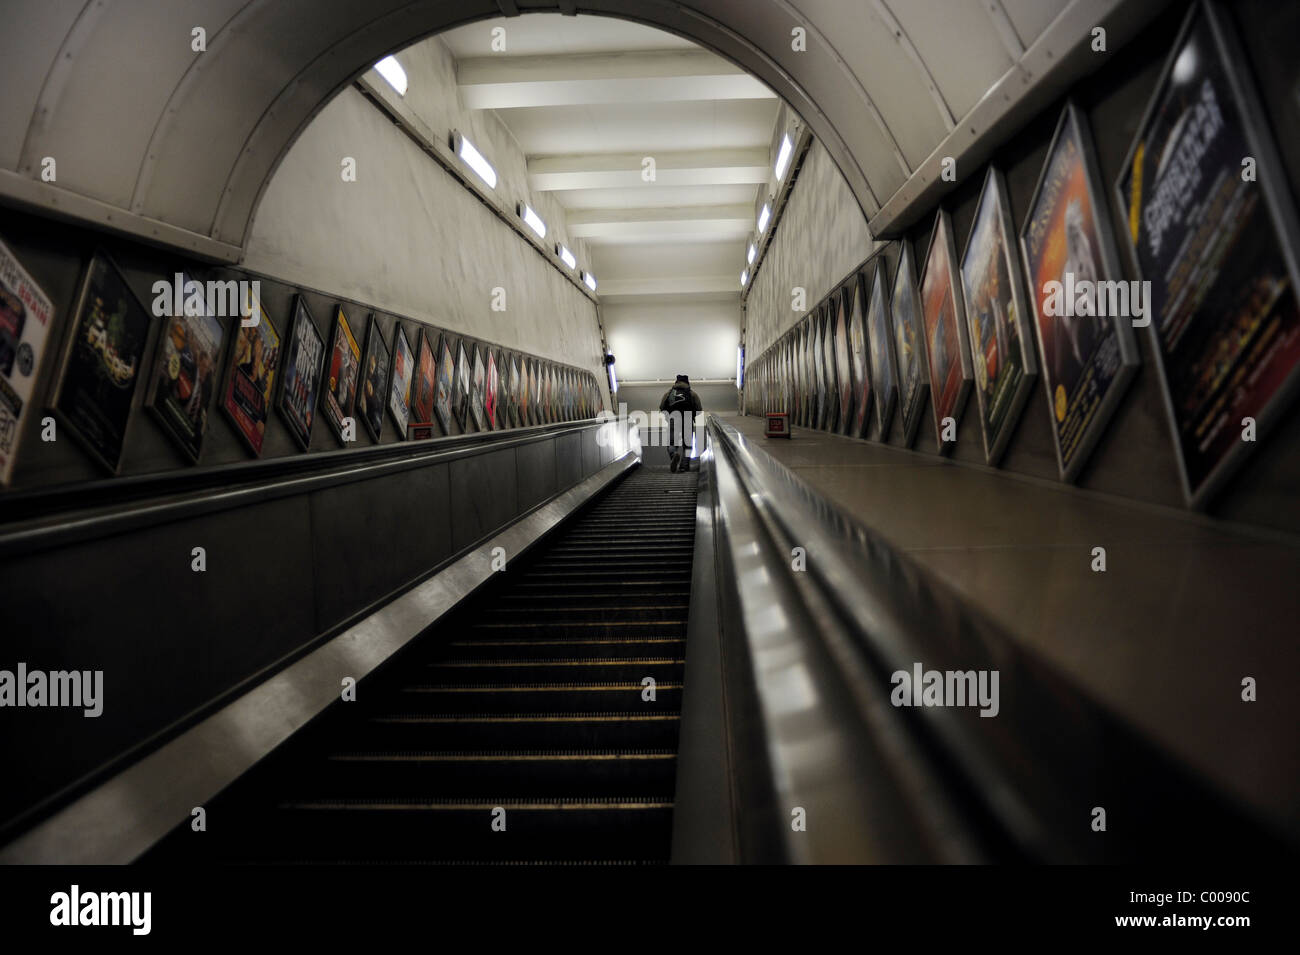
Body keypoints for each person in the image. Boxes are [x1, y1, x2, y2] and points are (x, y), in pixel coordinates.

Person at [659, 374, 702, 472]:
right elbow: (699, 409)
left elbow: (662, 407)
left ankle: (674, 454)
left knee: (671, 443)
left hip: (673, 420)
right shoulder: (692, 393)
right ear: (687, 383)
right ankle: (684, 466)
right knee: (687, 445)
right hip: (687, 420)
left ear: (676, 382)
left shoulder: (669, 393)